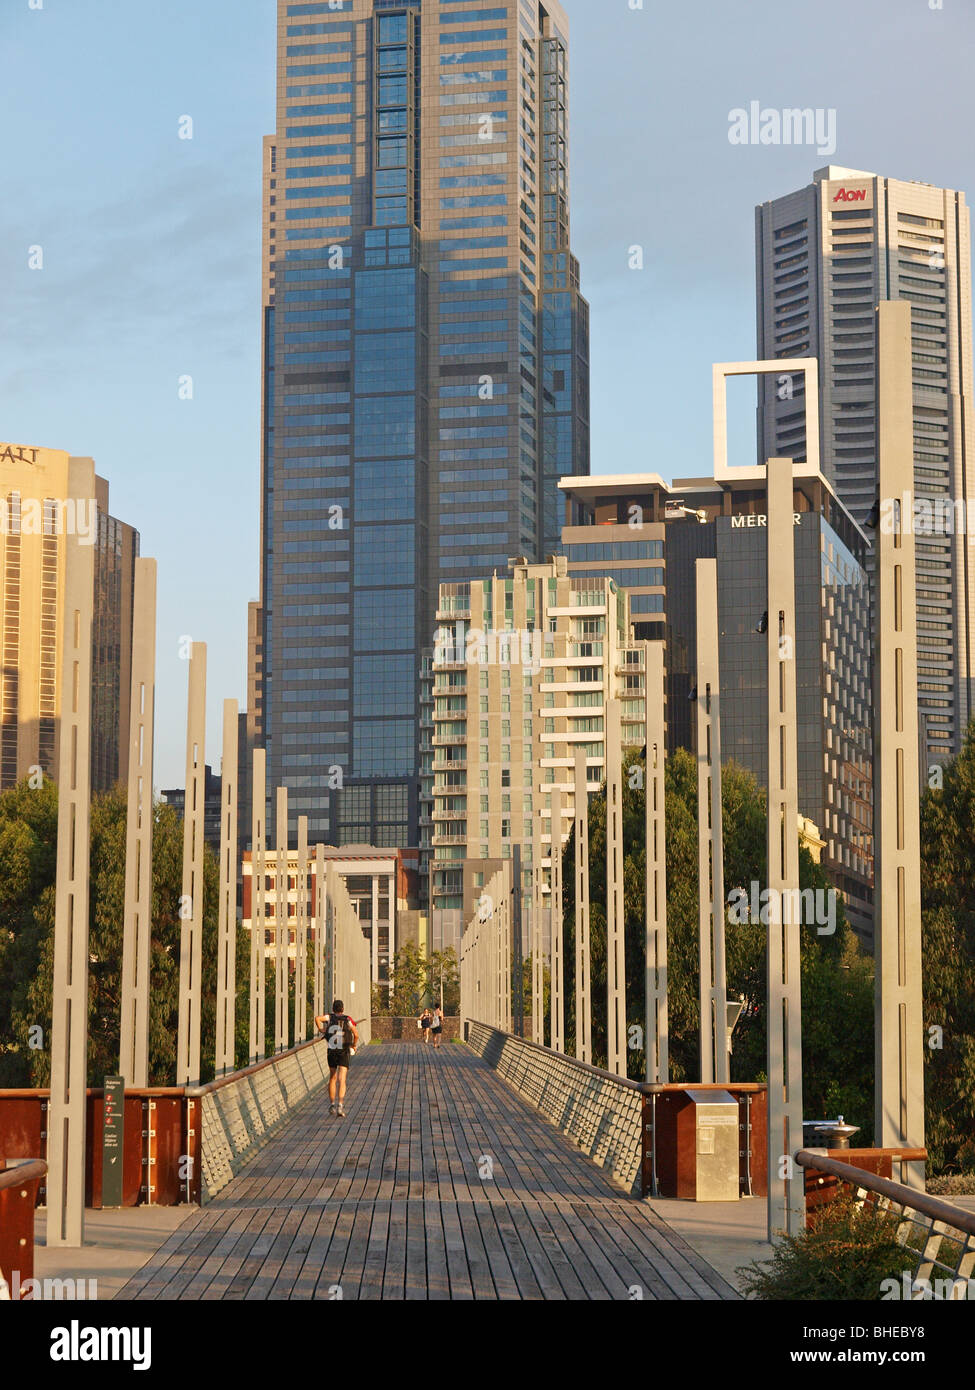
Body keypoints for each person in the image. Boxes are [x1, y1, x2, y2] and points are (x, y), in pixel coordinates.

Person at [314, 999, 358, 1118]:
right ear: (342, 1009)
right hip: (343, 1051)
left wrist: (321, 1029)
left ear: (333, 1009)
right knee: (342, 1079)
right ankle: (340, 1105)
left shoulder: (329, 1017)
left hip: (332, 1050)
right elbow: (356, 1034)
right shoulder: (347, 1019)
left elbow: (317, 1018)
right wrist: (354, 1045)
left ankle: (332, 1104)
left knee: (332, 1077)